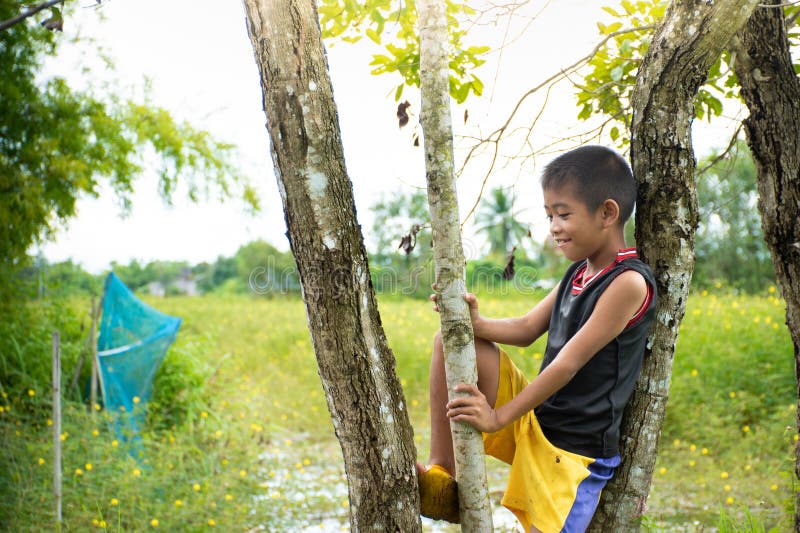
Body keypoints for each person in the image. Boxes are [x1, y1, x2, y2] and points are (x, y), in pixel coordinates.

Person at [417, 145, 657, 533]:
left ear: (607, 213)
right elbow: (528, 329)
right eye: (549, 216)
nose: (554, 227)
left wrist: (497, 418)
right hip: (537, 423)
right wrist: (475, 322)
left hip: (572, 453)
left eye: (563, 214)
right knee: (450, 343)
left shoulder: (627, 282)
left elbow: (567, 365)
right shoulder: (579, 272)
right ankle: (442, 470)